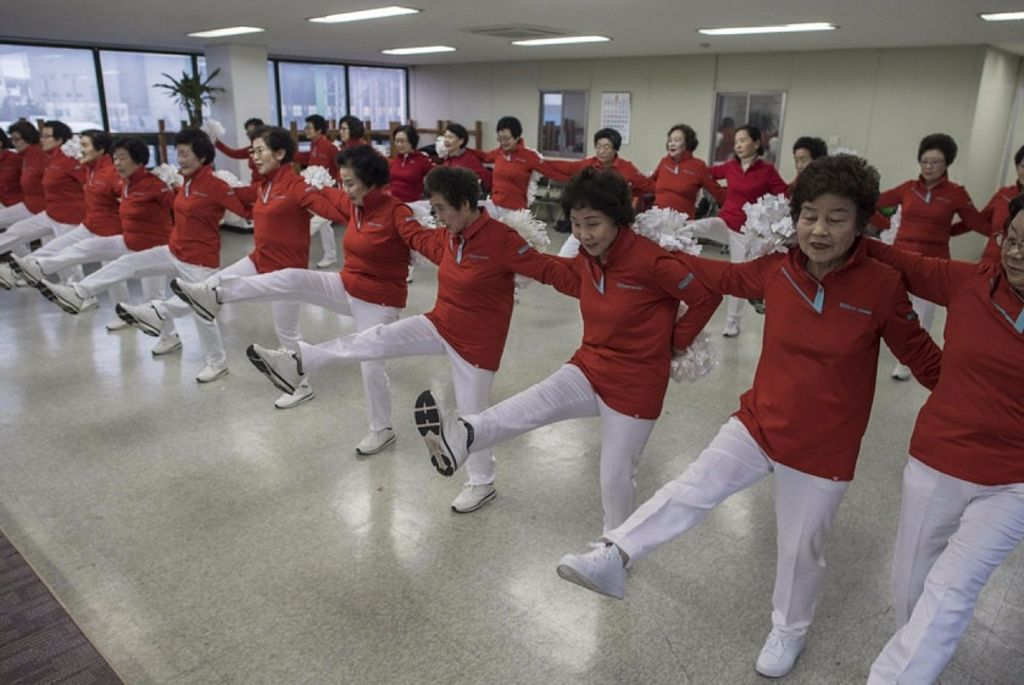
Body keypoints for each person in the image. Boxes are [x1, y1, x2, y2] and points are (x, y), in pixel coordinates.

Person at [555, 155, 942, 679]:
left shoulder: (881, 285)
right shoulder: (776, 271)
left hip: (824, 445)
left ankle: (789, 631)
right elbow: (714, 275)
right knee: (693, 485)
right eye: (809, 215)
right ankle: (615, 553)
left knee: (800, 548)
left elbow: (921, 357)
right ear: (794, 218)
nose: (819, 229)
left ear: (861, 223)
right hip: (759, 421)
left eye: (836, 217)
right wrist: (640, 252)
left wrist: (978, 399)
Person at [244, 166, 577, 512]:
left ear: (465, 204)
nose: (438, 217)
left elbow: (550, 271)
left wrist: (604, 282)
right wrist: (394, 216)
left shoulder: (502, 241)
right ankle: (298, 362)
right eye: (433, 210)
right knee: (374, 339)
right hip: (439, 322)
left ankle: (482, 482)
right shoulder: (449, 236)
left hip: (476, 345)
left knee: (472, 414)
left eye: (442, 209)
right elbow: (418, 236)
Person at [413, 168, 720, 531]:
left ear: (618, 220)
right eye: (575, 224)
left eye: (593, 224)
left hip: (636, 388)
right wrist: (505, 251)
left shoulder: (651, 260)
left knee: (614, 477)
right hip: (590, 367)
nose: (583, 235)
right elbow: (551, 270)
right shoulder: (589, 263)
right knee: (531, 404)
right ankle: (461, 436)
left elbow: (705, 295)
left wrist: (676, 342)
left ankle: (616, 549)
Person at [865, 193, 1024, 684]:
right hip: (940, 460)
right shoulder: (971, 282)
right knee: (911, 581)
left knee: (954, 586)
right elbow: (899, 262)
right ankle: (916, 658)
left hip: (1013, 482)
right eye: (1011, 240)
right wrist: (836, 229)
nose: (1016, 253)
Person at [169, 145, 413, 453]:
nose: (345, 189)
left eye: (350, 183)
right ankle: (215, 293)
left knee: (371, 366)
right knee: (292, 277)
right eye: (343, 182)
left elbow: (425, 241)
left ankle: (382, 429)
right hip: (346, 285)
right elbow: (330, 198)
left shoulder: (397, 213)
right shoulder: (354, 205)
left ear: (371, 182)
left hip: (380, 302)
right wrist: (317, 187)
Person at [116, 126, 346, 405]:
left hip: (287, 273)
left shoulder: (297, 187)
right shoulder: (265, 185)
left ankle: (302, 384)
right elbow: (233, 193)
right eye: (253, 151)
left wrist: (342, 198)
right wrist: (203, 185)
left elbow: (334, 213)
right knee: (207, 287)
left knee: (286, 331)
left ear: (281, 153)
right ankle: (158, 313)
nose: (255, 157)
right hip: (258, 260)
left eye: (260, 151)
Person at [33, 137, 182, 354]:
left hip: (156, 247)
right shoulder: (126, 183)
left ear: (138, 160)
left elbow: (180, 209)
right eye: (115, 158)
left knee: (153, 296)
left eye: (123, 158)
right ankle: (47, 272)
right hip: (131, 242)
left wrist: (176, 189)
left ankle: (170, 337)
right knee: (90, 249)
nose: (118, 163)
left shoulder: (155, 185)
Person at [876, 133, 988, 380]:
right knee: (894, 303)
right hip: (900, 254)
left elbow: (975, 221)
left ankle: (906, 363)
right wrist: (884, 224)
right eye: (924, 161)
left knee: (922, 312)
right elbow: (874, 202)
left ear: (947, 163)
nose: (928, 167)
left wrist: (950, 231)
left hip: (933, 261)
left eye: (935, 162)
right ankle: (899, 351)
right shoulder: (907, 188)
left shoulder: (956, 192)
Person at [10, 129, 132, 330]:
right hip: (90, 224)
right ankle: (29, 265)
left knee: (112, 275)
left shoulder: (111, 172)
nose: (81, 150)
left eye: (85, 145)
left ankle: (123, 312)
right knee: (62, 247)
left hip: (111, 231)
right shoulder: (89, 168)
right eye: (80, 144)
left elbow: (127, 201)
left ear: (101, 149)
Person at [687, 124, 789, 335]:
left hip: (745, 233)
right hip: (725, 222)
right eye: (736, 142)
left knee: (738, 275)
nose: (739, 145)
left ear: (757, 143)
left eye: (743, 140)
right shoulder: (730, 166)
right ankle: (666, 236)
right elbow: (706, 173)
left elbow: (784, 194)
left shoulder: (767, 170)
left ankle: (732, 324)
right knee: (695, 226)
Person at [535, 128, 651, 258]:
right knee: (564, 257)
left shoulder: (627, 169)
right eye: (599, 147)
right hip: (586, 222)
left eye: (606, 147)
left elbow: (647, 186)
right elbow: (567, 168)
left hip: (612, 227)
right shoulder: (589, 165)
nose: (601, 151)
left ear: (615, 149)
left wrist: (629, 195)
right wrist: (539, 161)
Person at [0, 120, 85, 274]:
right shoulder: (49, 157)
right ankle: (22, 272)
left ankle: (74, 290)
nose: (42, 140)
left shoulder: (67, 160)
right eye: (41, 136)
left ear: (59, 140)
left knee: (66, 261)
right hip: (49, 212)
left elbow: (88, 185)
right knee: (16, 232)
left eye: (46, 137)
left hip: (68, 216)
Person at [649, 123, 726, 217]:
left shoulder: (698, 166)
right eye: (670, 140)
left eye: (677, 140)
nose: (672, 144)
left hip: (682, 222)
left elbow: (718, 192)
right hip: (657, 218)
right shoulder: (664, 162)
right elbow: (648, 184)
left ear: (687, 143)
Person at [295, 114, 340, 268]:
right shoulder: (313, 145)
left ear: (319, 130)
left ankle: (293, 251)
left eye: (309, 128)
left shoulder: (330, 147)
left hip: (329, 193)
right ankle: (331, 255)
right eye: (305, 127)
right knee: (325, 226)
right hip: (316, 192)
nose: (306, 130)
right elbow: (307, 160)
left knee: (313, 224)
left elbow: (340, 167)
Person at [967, 143, 1024, 263]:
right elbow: (978, 220)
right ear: (1017, 167)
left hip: (1018, 266)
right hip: (990, 261)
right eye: (1023, 166)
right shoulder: (1004, 193)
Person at [483, 116, 546, 217]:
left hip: (516, 210)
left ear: (517, 138)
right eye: (500, 138)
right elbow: (483, 157)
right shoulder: (498, 153)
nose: (503, 142)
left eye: (506, 139)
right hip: (495, 205)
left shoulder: (530, 156)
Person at [388, 125, 434, 203]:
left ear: (412, 141)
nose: (399, 145)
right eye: (396, 141)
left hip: (413, 203)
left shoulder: (422, 160)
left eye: (402, 141)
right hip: (393, 202)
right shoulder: (396, 160)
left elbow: (436, 178)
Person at [440, 122, 491, 191]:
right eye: (445, 137)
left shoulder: (469, 159)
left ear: (461, 141)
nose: (446, 140)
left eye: (450, 137)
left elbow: (487, 179)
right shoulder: (446, 158)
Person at [214, 116, 265, 183]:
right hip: (255, 186)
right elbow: (234, 153)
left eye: (252, 132)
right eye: (248, 133)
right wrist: (217, 142)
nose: (250, 135)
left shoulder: (269, 149)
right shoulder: (251, 149)